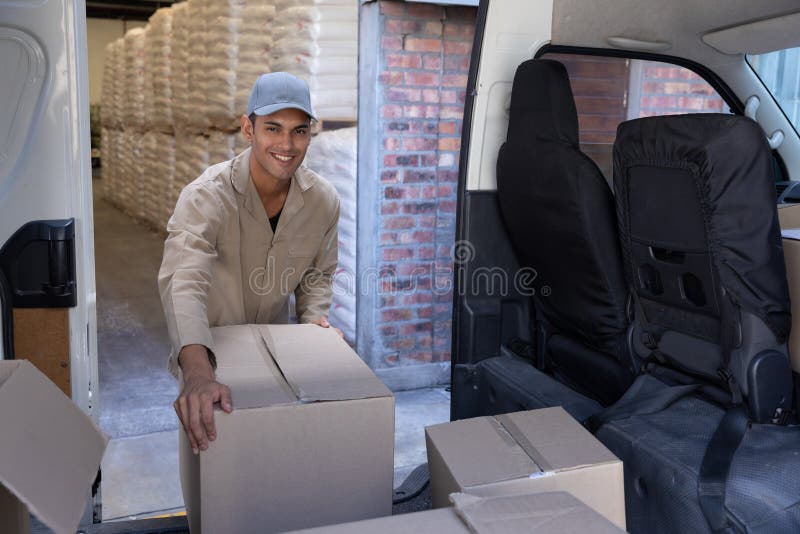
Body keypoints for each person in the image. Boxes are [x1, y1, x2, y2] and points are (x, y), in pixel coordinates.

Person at [158, 72, 340, 455]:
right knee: (218, 466)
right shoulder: (207, 196)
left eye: (299, 131)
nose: (287, 144)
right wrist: (196, 372)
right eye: (273, 128)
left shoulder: (323, 201)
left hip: (275, 351)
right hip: (210, 355)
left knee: (273, 459)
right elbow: (183, 281)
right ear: (248, 128)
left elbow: (316, 277)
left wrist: (313, 329)